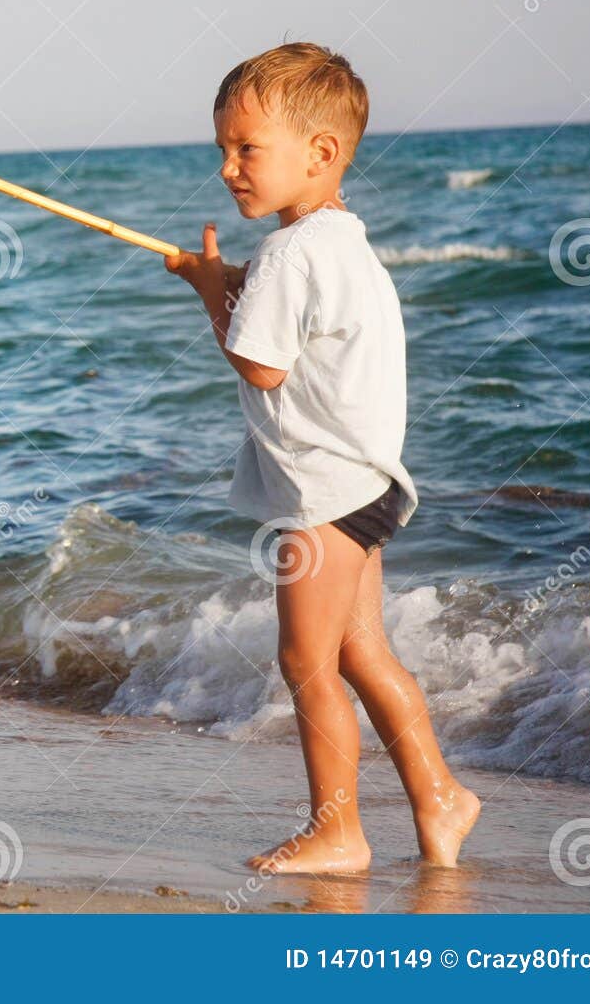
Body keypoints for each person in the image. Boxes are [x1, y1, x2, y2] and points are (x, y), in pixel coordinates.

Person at [165, 43, 481, 873]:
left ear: (323, 153)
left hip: (321, 493)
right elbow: (293, 337)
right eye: (223, 150)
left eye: (247, 149)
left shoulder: (285, 255)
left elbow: (262, 363)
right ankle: (441, 796)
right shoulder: (342, 244)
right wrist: (235, 290)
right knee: (363, 651)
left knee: (306, 657)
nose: (229, 168)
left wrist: (210, 292)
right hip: (369, 481)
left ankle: (338, 830)